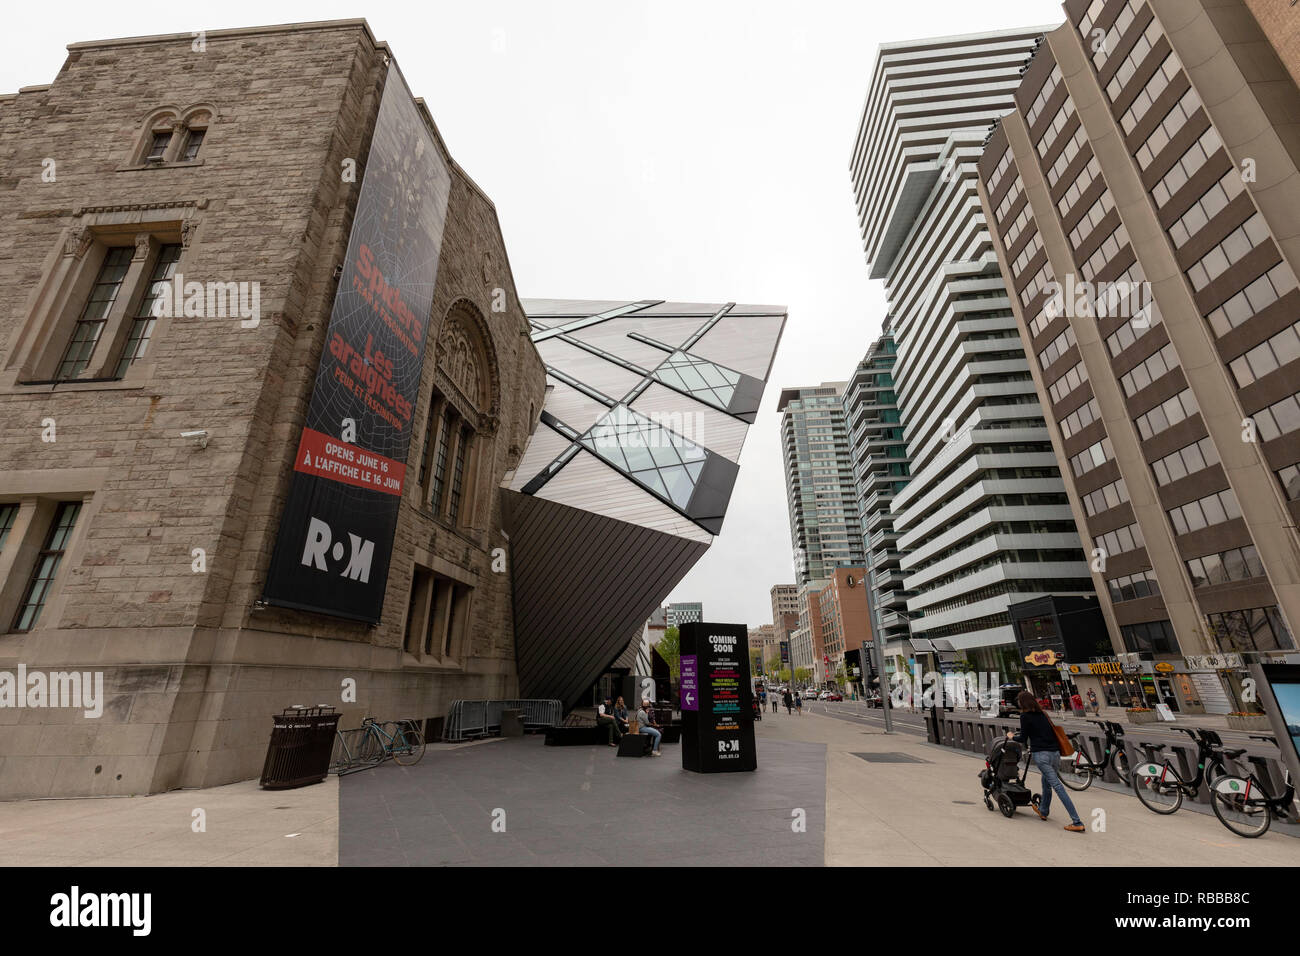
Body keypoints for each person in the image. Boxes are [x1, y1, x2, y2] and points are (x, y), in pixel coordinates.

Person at [1007, 690, 1085, 832]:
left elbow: (1023, 738)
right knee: (1046, 782)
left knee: (1057, 786)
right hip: (1054, 753)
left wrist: (1012, 736)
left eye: (1019, 700)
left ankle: (1077, 821)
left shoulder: (1025, 716)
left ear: (1022, 702)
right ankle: (1043, 810)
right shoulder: (1043, 714)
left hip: (1041, 755)